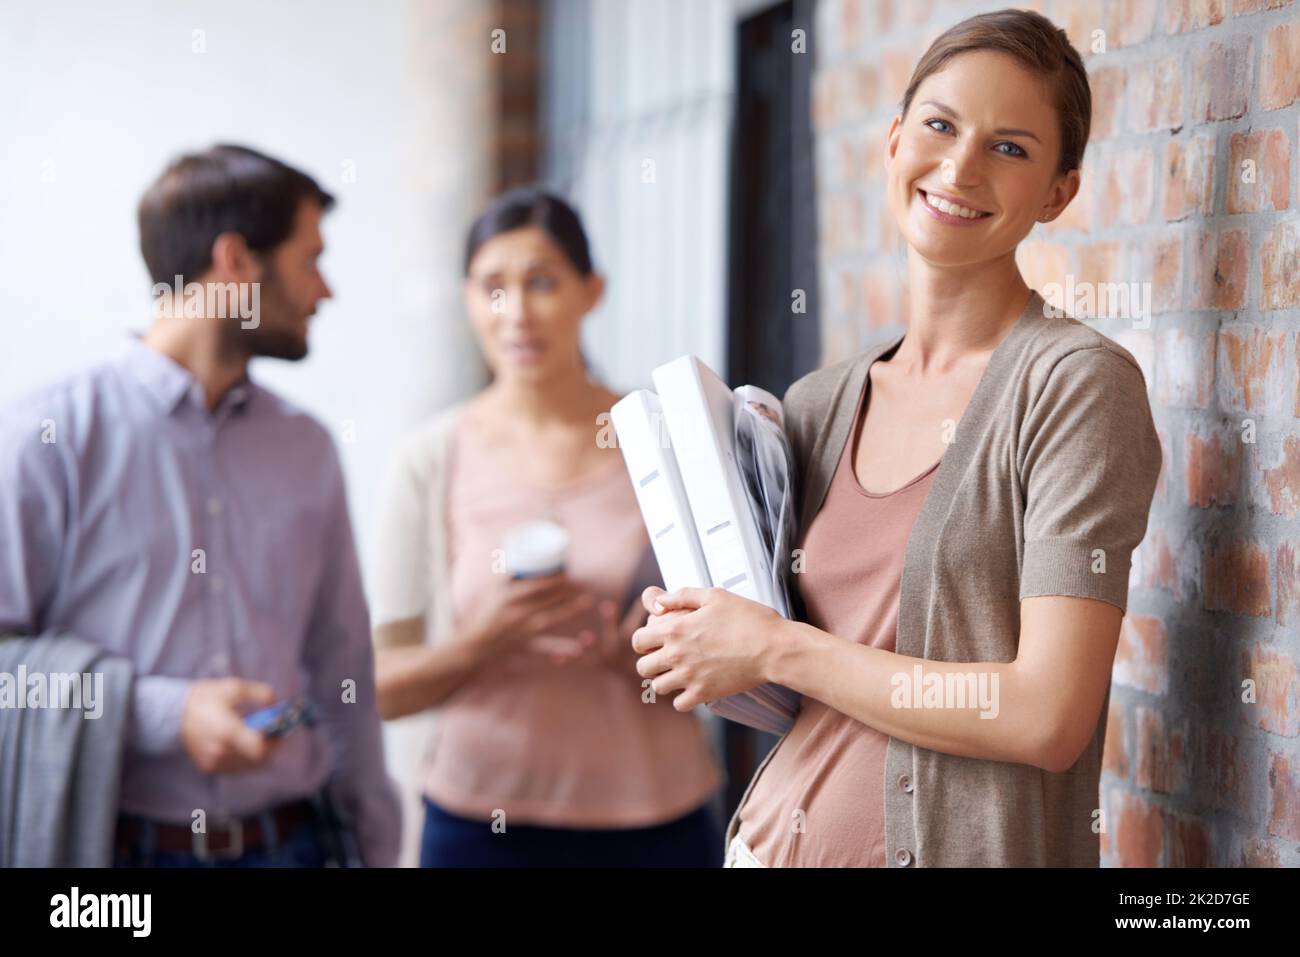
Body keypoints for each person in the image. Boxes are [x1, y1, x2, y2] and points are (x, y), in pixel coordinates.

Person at [633, 9, 1162, 867]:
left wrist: (776, 645)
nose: (960, 166)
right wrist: (693, 635)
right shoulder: (818, 405)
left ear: (1059, 192)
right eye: (941, 125)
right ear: (893, 139)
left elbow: (1047, 715)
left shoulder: (1073, 385)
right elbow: (791, 678)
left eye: (1011, 147)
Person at [0, 144, 400, 867]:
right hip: (113, 860)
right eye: (310, 260)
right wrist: (159, 712)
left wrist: (376, 841)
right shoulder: (47, 437)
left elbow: (340, 664)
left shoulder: (307, 448)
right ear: (236, 262)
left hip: (297, 845)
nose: (325, 291)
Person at [370, 187, 725, 867]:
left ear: (592, 292)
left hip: (655, 818)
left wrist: (642, 654)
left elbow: (744, 651)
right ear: (467, 298)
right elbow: (380, 686)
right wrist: (485, 641)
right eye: (492, 287)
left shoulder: (667, 440)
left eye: (542, 282)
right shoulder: (430, 458)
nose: (517, 313)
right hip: (479, 822)